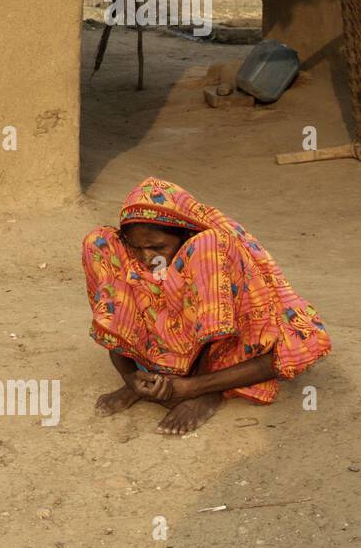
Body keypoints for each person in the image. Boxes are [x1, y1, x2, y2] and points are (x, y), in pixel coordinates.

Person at [82, 177, 330, 434]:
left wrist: (193, 389)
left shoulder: (211, 245)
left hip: (228, 350)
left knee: (209, 249)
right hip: (170, 345)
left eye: (157, 247)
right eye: (137, 247)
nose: (146, 258)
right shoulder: (137, 257)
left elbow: (274, 350)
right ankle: (148, 379)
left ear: (187, 235)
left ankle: (205, 389)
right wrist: (130, 377)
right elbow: (115, 307)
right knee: (99, 242)